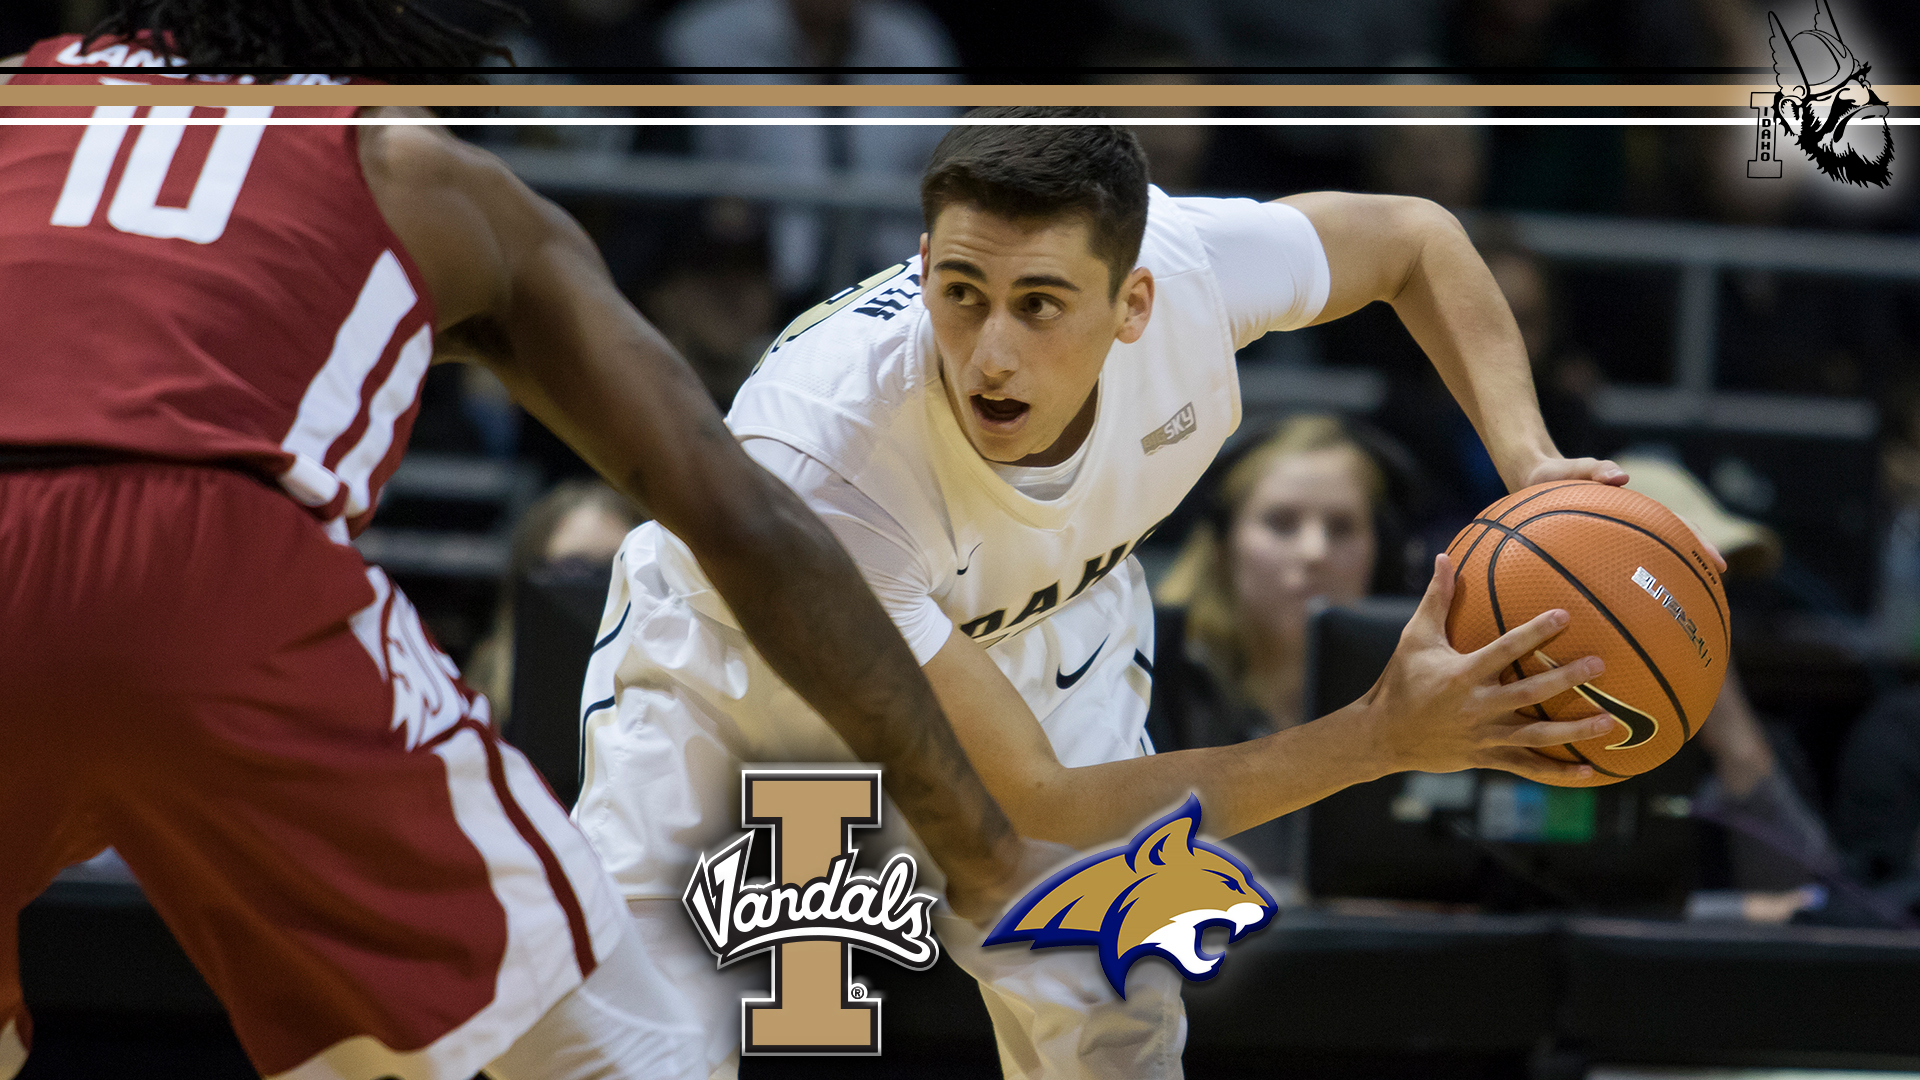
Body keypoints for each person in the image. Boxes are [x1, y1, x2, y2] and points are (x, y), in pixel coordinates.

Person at [0, 8, 1038, 1079]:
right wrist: (985, 847)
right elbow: (748, 521)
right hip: (206, 562)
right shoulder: (406, 161)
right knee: (615, 1056)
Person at [576, 108, 1678, 1080]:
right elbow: (1033, 806)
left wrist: (1529, 462)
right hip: (741, 678)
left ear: (1135, 301)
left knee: (1107, 1023)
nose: (991, 353)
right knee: (637, 1050)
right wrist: (1380, 737)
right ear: (921, 266)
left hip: (1034, 635)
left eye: (1040, 303)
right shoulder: (820, 458)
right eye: (960, 295)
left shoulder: (1198, 270)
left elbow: (1414, 240)